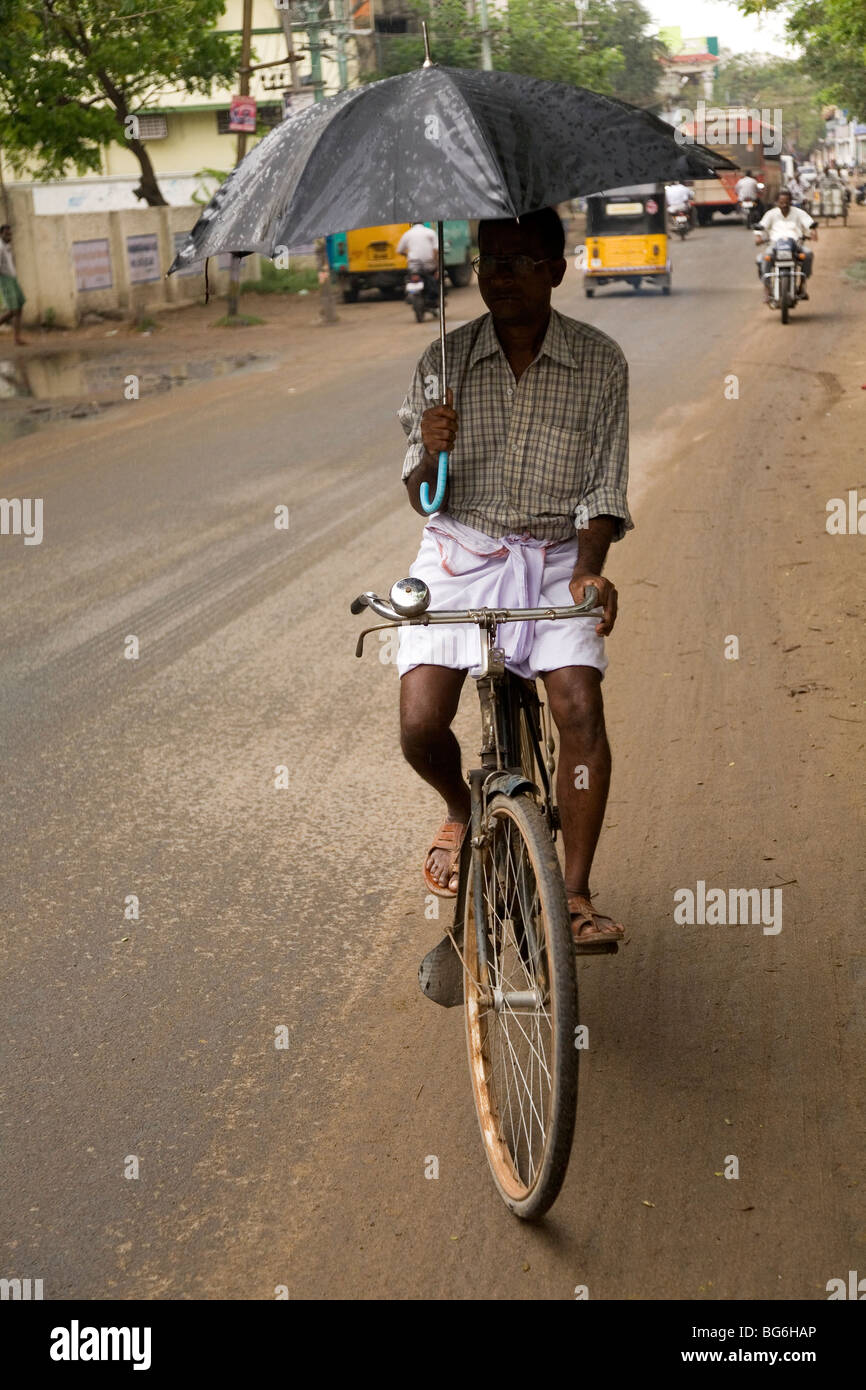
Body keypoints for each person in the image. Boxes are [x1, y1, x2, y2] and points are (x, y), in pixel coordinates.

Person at [396, 208, 631, 947]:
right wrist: (432, 449)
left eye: (520, 261)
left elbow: (605, 488)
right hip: (461, 547)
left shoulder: (600, 361)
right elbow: (418, 494)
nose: (500, 276)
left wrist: (588, 574)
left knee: (578, 706)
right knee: (419, 719)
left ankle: (578, 892)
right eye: (489, 260)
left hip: (559, 551)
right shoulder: (445, 360)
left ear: (557, 270)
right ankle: (459, 810)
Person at [754, 188, 817, 303]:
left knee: (808, 254)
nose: (784, 205)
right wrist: (758, 236)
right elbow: (761, 226)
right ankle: (767, 289)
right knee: (764, 258)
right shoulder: (771, 214)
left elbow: (809, 223)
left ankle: (802, 284)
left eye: (786, 202)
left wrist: (813, 231)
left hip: (795, 244)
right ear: (777, 202)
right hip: (775, 245)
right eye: (781, 202)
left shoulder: (798, 212)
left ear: (791, 202)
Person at [0, 225, 27, 346]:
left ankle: (17, 338)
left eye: (10, 234)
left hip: (13, 278)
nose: (9, 236)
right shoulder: (0, 248)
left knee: (18, 308)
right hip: (6, 280)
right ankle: (17, 338)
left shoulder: (7, 247)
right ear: (1, 234)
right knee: (15, 310)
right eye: (7, 234)